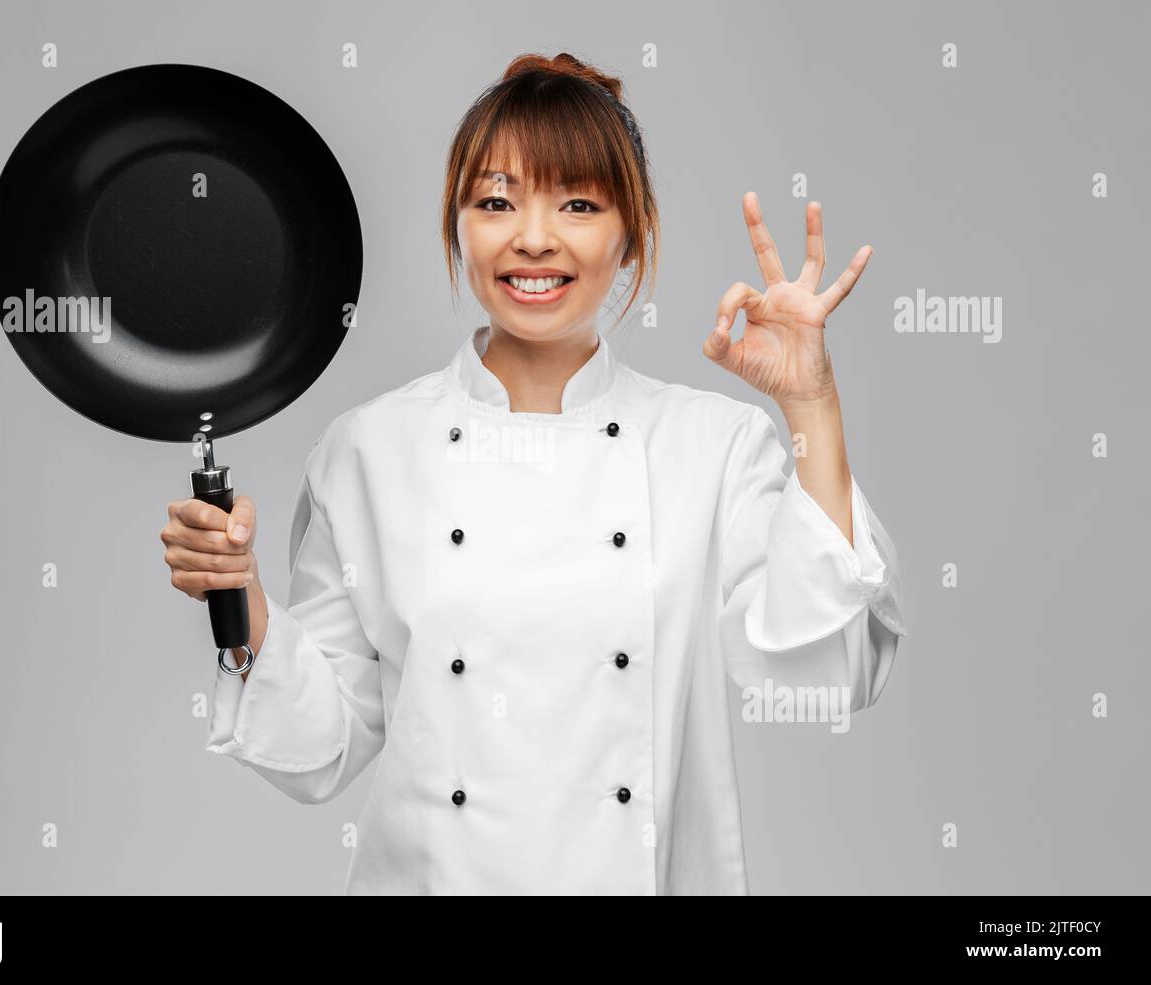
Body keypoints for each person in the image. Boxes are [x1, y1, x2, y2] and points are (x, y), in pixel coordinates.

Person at [160, 51, 908, 895]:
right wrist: (243, 598)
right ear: (457, 225)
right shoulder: (369, 449)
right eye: (496, 202)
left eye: (578, 203)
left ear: (633, 233)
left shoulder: (713, 445)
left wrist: (811, 403)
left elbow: (825, 675)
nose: (534, 238)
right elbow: (321, 744)